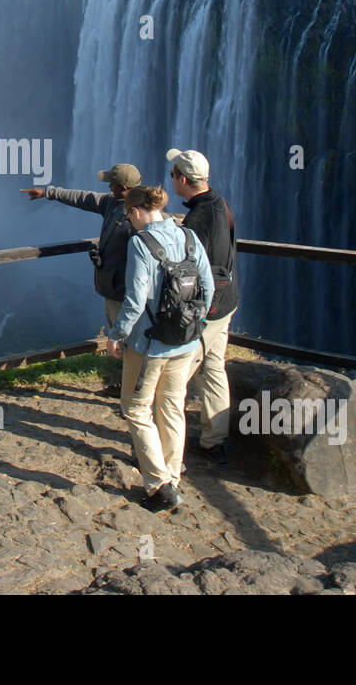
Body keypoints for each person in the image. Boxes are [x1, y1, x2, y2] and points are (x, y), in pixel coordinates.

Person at [105, 184, 215, 511]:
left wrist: (117, 334)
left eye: (129, 216)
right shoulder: (190, 237)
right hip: (187, 341)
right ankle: (173, 475)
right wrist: (194, 325)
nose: (130, 222)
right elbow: (207, 288)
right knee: (171, 406)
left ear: (136, 211)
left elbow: (136, 300)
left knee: (136, 409)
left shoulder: (141, 243)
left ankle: (158, 485)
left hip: (149, 345)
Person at [167, 147, 239, 463]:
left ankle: (168, 453)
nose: (171, 180)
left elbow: (187, 271)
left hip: (206, 310)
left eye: (173, 175)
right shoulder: (220, 205)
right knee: (212, 369)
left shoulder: (196, 221)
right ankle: (214, 440)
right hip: (228, 302)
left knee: (174, 377)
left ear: (183, 179)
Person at [21, 163, 140, 329]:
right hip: (112, 291)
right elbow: (83, 198)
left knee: (126, 341)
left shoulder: (140, 216)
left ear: (123, 187)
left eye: (111, 184)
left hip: (125, 295)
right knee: (118, 339)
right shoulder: (113, 202)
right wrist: (48, 192)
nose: (109, 186)